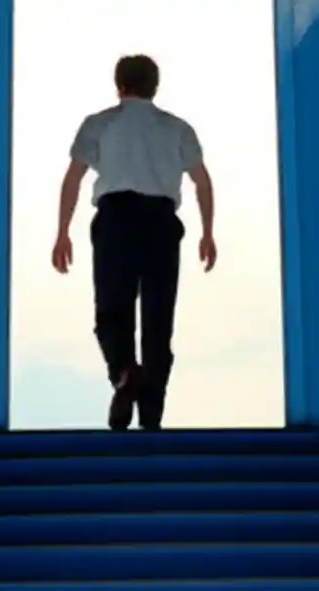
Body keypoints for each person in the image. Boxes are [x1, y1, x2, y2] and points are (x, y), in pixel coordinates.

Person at [51, 54, 217, 432]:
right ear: (154, 86)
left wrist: (63, 232)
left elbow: (73, 179)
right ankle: (152, 411)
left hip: (115, 218)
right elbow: (202, 182)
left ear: (119, 85)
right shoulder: (177, 128)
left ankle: (124, 370)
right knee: (158, 319)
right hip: (160, 221)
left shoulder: (99, 124)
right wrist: (208, 232)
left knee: (112, 309)